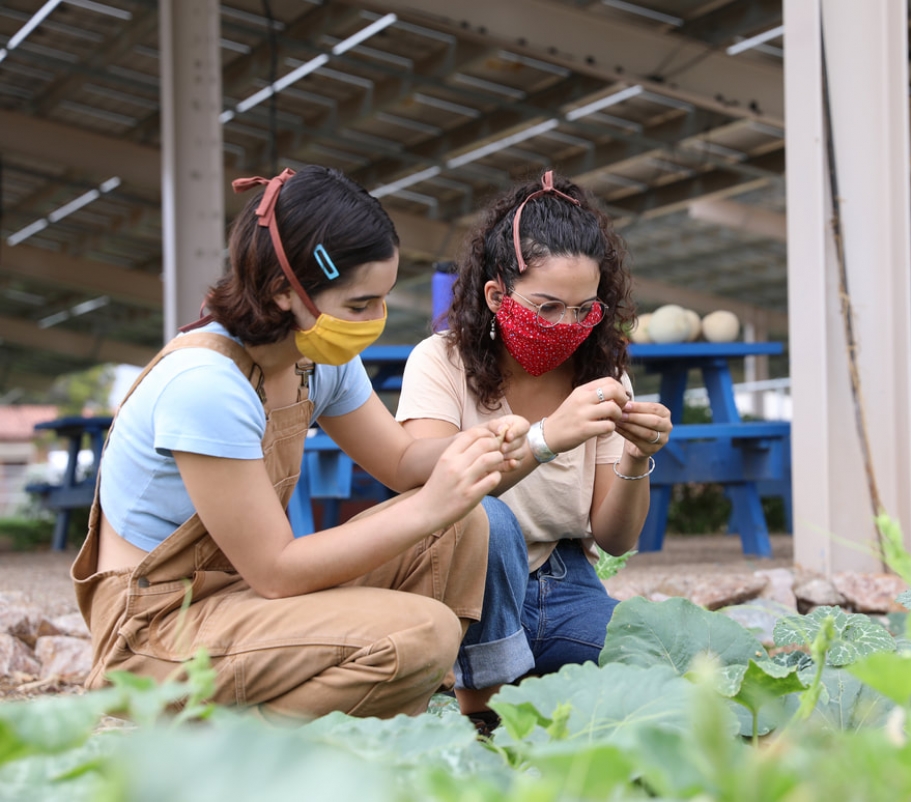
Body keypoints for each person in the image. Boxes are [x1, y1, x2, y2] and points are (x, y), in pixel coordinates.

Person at [71, 165, 529, 724]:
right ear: (282, 291)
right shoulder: (206, 384)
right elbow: (277, 571)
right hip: (157, 626)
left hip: (241, 598)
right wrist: (433, 503)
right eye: (359, 305)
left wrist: (474, 444)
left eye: (381, 300)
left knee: (463, 525)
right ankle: (222, 747)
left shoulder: (314, 358)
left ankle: (374, 707)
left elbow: (404, 461)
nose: (375, 320)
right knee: (422, 632)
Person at [397, 170, 672, 727]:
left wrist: (637, 459)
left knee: (659, 680)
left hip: (565, 583)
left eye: (583, 309)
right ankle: (482, 712)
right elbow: (429, 494)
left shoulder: (601, 372)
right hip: (465, 590)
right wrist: (548, 438)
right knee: (489, 518)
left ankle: (517, 682)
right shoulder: (438, 361)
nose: (567, 326)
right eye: (547, 307)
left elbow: (615, 537)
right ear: (497, 295)